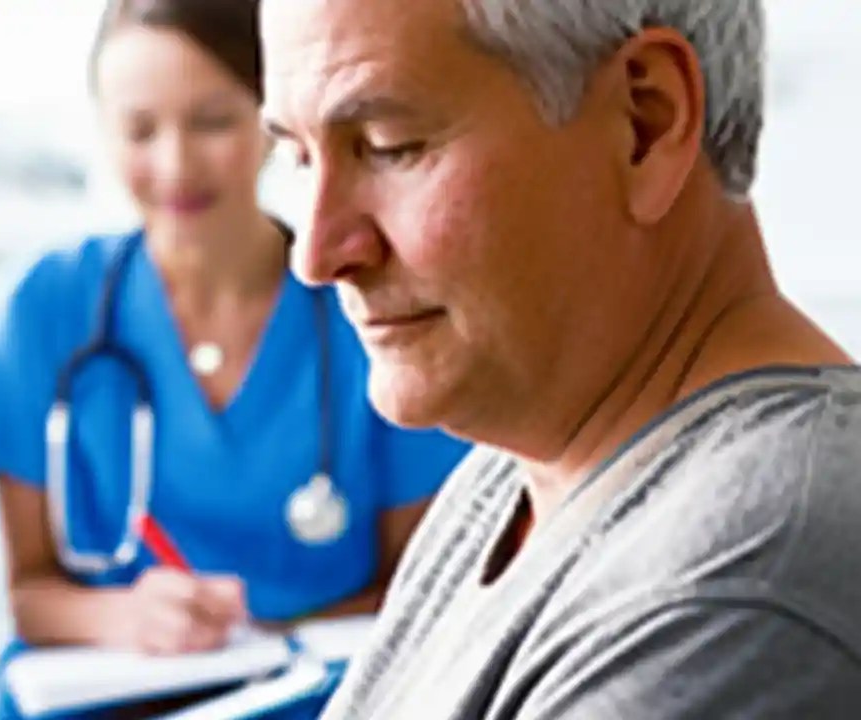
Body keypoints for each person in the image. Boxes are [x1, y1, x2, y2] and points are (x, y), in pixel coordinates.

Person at [259, 0, 861, 717]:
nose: (316, 256)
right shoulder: (521, 476)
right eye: (299, 157)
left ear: (646, 122)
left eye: (391, 146)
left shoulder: (741, 585)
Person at [0, 0, 471, 716]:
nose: (175, 164)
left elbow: (420, 586)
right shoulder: (44, 310)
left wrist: (267, 637)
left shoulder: (371, 306)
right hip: (95, 698)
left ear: (273, 119)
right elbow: (30, 593)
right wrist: (120, 618)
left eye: (213, 121)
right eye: (139, 130)